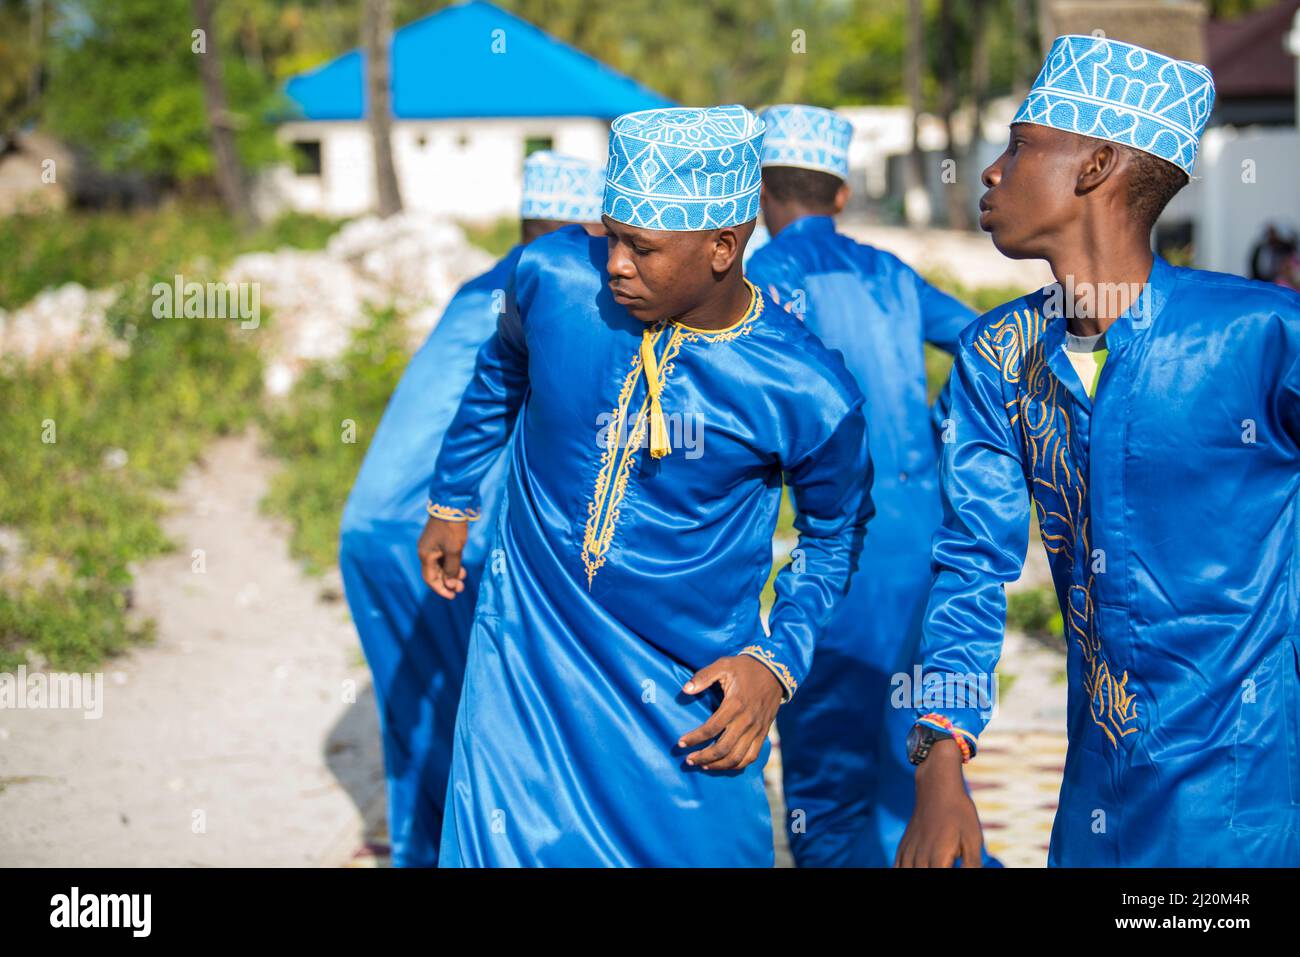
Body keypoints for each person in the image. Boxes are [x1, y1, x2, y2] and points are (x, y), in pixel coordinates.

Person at [417, 105, 875, 867]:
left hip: (684, 701)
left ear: (724, 245)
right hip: (526, 660)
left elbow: (836, 535)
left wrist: (775, 662)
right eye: (611, 234)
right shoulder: (556, 277)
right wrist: (452, 498)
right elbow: (503, 368)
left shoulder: (805, 388)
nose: (616, 264)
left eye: (643, 247)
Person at [897, 35, 1300, 867]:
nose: (992, 170)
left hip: (1250, 807)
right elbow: (972, 564)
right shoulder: (998, 355)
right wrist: (942, 757)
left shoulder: (1259, 337)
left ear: (1095, 165)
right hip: (1096, 802)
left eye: (1020, 145)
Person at [338, 151, 606, 867]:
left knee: (420, 719)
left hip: (369, 534)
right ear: (587, 229)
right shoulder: (564, 294)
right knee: (493, 730)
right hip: (452, 538)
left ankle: (422, 851)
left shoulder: (477, 287)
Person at [746, 104, 979, 867]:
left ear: (758, 199)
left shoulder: (759, 285)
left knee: (829, 761)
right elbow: (986, 338)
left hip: (836, 547)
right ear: (841, 195)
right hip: (923, 535)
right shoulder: (890, 273)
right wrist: (942, 429)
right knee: (917, 742)